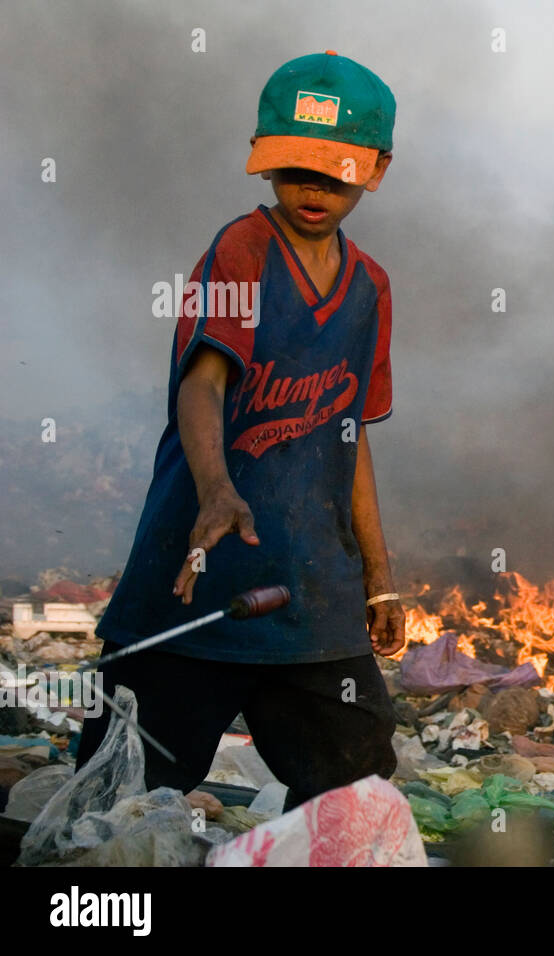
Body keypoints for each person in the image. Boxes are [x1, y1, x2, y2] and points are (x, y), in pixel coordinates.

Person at [77, 51, 405, 812]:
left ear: (375, 170)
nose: (312, 190)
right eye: (294, 171)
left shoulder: (371, 289)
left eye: (334, 172)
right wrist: (217, 490)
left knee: (352, 786)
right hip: (198, 580)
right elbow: (203, 380)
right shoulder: (243, 252)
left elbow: (352, 438)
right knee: (119, 793)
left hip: (312, 597)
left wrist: (379, 576)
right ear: (265, 165)